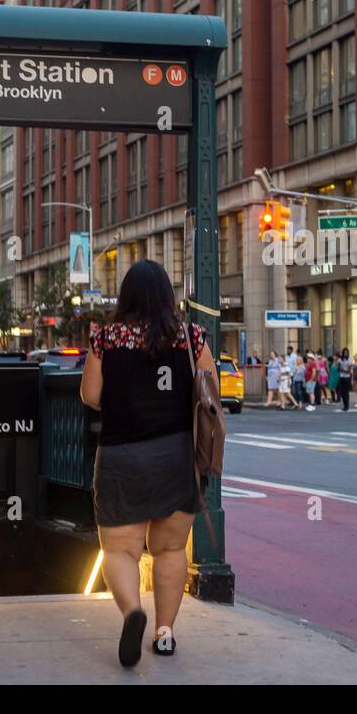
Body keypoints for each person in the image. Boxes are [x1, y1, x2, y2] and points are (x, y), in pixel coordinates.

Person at [79, 259, 215, 667]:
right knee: (171, 547)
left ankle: (132, 612)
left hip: (121, 456)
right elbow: (210, 391)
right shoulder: (191, 336)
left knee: (120, 550)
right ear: (167, 296)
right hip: (176, 456)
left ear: (126, 296)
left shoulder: (106, 337)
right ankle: (165, 633)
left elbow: (90, 395)